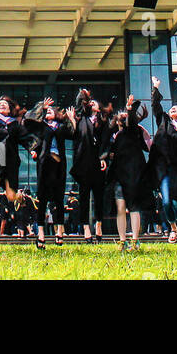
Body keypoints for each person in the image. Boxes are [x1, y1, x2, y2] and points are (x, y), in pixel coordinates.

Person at [0, 95, 36, 239]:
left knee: (10, 195)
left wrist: (32, 149)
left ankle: (19, 196)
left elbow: (25, 138)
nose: (2, 105)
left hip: (10, 158)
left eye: (5, 104)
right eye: (0, 104)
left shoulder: (14, 124)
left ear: (10, 110)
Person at [101, 94, 150, 251]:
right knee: (120, 207)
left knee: (134, 207)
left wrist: (130, 109)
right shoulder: (114, 136)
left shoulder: (133, 132)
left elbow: (132, 123)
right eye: (121, 116)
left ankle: (135, 240)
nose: (123, 118)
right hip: (119, 175)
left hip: (134, 175)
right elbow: (106, 149)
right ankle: (122, 240)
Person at [23, 96, 74, 248]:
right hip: (44, 162)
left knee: (58, 198)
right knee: (42, 198)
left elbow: (72, 133)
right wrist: (41, 107)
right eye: (46, 111)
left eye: (51, 110)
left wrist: (70, 118)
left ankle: (59, 231)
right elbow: (27, 121)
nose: (48, 112)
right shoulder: (40, 126)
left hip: (58, 163)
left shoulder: (60, 126)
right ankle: (41, 234)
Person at [150, 76, 177, 244]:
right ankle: (173, 228)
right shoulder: (164, 122)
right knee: (167, 201)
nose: (173, 109)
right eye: (172, 108)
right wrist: (156, 88)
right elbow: (156, 107)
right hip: (164, 168)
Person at [71, 89, 110, 243]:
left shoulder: (104, 122)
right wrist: (83, 94)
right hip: (84, 161)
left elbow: (107, 142)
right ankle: (86, 227)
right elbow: (80, 104)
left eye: (94, 103)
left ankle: (99, 224)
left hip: (98, 161)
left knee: (99, 196)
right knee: (84, 196)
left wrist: (103, 157)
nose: (92, 104)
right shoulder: (82, 119)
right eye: (90, 103)